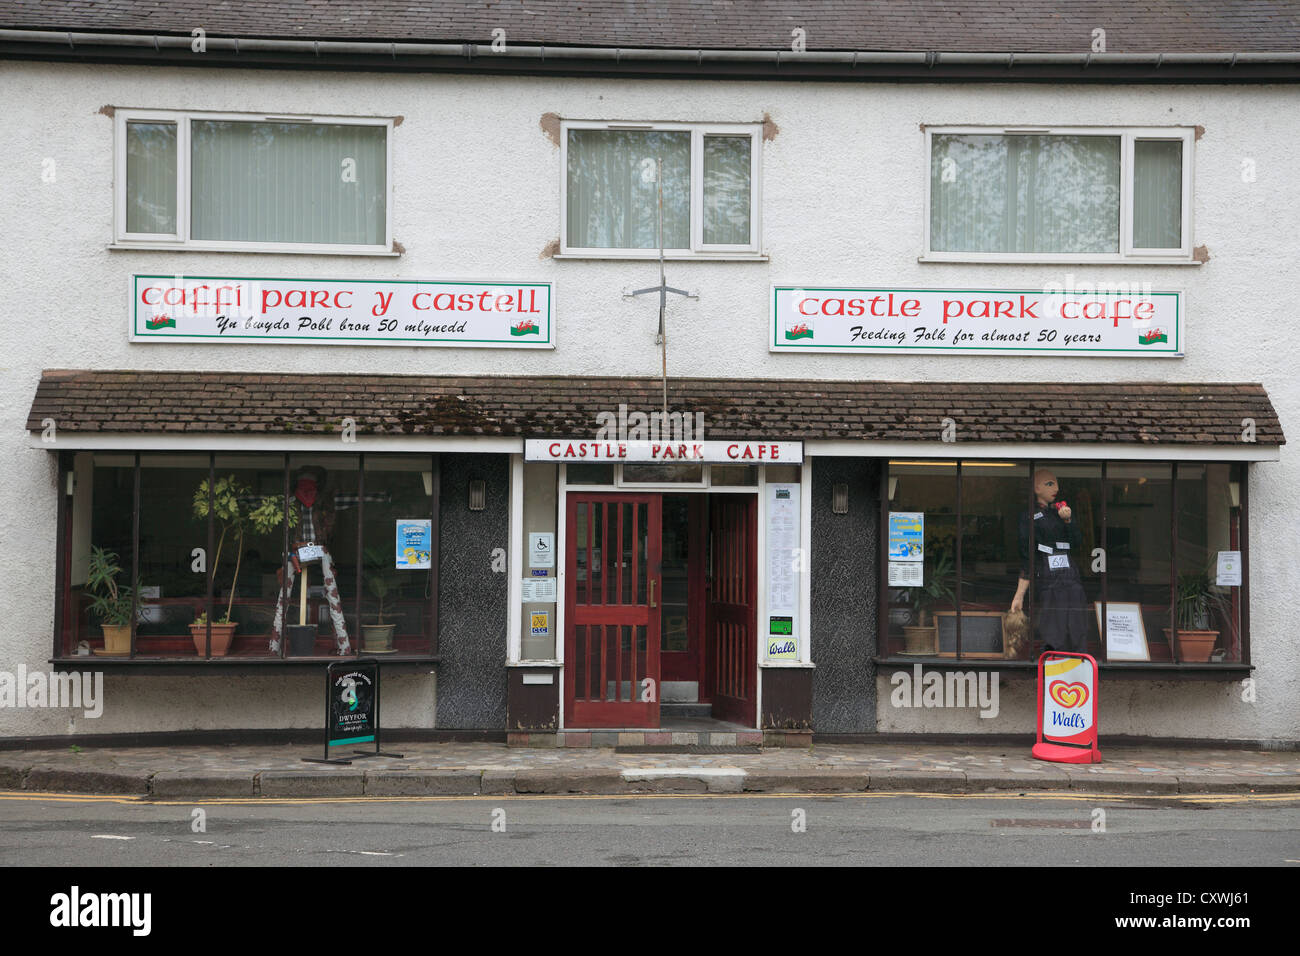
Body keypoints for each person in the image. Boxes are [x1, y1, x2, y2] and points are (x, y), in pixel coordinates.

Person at [270, 465, 351, 655]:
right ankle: (344, 646)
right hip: (300, 549)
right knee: (288, 597)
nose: (307, 491)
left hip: (311, 548)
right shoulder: (295, 503)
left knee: (290, 598)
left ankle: (274, 648)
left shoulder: (305, 502)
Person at [1010, 469, 1088, 654]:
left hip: (1071, 577)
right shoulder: (1029, 516)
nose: (1056, 488)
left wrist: (1069, 521)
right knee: (1054, 628)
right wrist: (1020, 594)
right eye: (1049, 484)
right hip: (1048, 579)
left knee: (1078, 626)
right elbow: (1027, 556)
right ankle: (1052, 672)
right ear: (1036, 488)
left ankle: (1079, 671)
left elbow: (1078, 543)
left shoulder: (1061, 512)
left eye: (1056, 483)